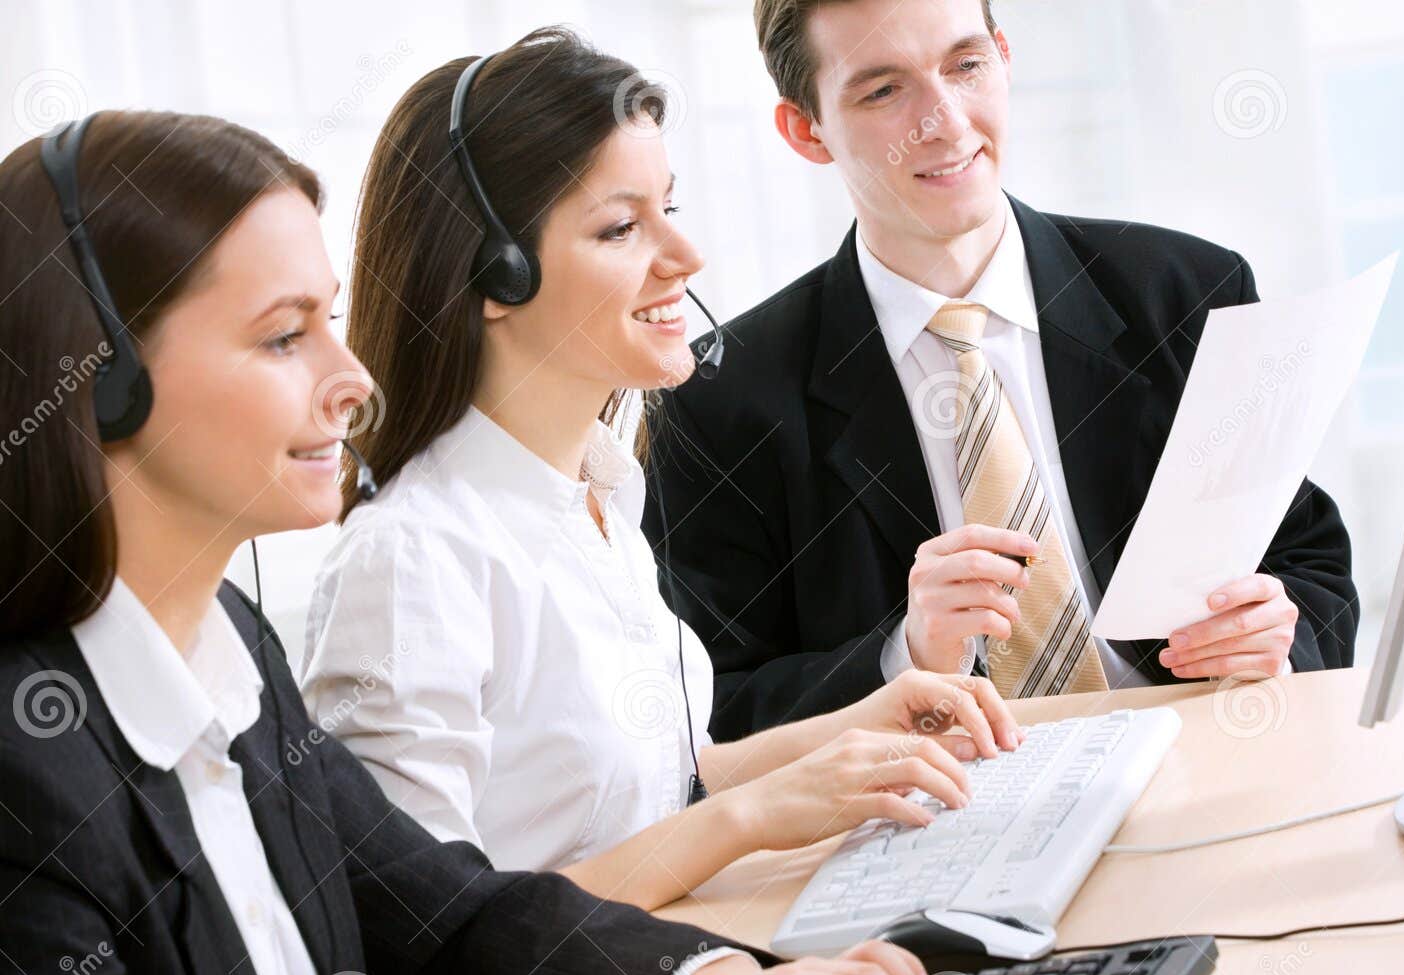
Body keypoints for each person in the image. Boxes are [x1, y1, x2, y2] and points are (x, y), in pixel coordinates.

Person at [0, 108, 936, 975]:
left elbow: (442, 918)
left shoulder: (227, 648)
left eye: (329, 319)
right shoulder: (25, 776)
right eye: (285, 338)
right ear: (101, 380)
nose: (351, 378)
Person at [300, 28, 1019, 911]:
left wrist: (872, 720)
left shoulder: (598, 496)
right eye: (620, 228)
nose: (684, 259)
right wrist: (750, 815)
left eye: (668, 210)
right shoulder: (412, 559)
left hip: (656, 973)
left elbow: (662, 782)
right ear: (496, 273)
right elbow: (428, 944)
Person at [646, 0, 1360, 740]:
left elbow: (1307, 558)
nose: (946, 122)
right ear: (806, 129)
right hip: (938, 822)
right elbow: (710, 714)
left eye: (965, 66)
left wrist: (1280, 635)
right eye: (884, 90)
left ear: (1005, 58)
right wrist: (905, 657)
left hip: (1206, 758)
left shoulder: (1186, 293)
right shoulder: (716, 399)